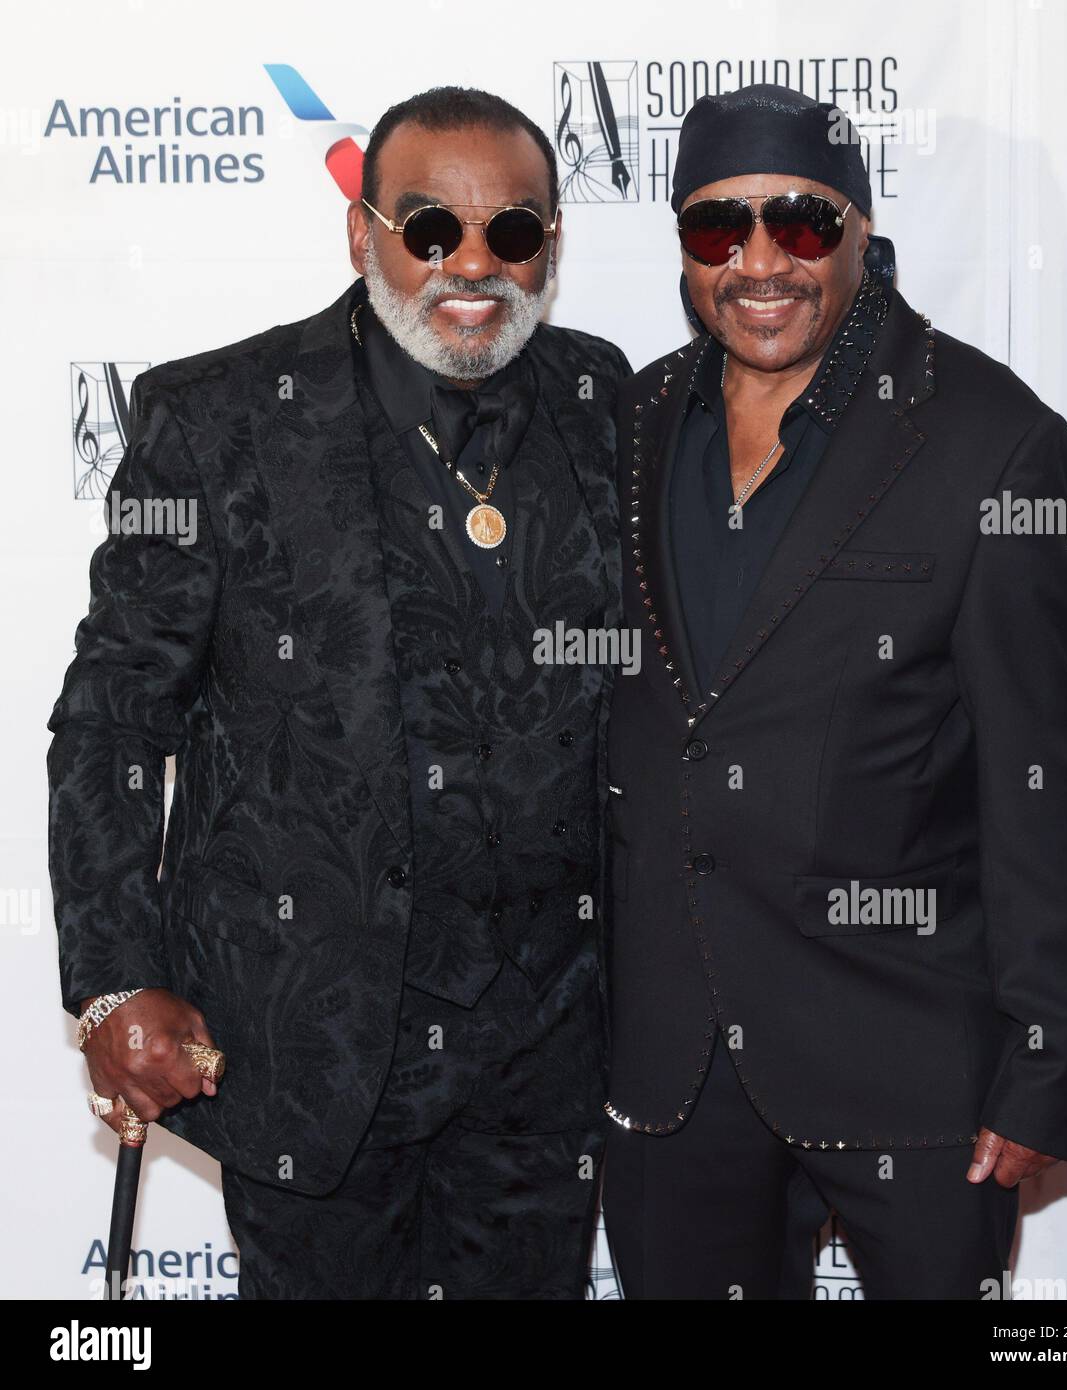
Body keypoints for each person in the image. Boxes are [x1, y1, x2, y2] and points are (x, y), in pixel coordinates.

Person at [48, 85, 630, 1300]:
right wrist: (112, 975)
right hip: (307, 1035)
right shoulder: (216, 421)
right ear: (360, 233)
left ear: (552, 244)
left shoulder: (598, 399)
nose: (470, 266)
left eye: (510, 232)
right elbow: (114, 713)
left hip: (541, 1054)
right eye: (428, 229)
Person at [601, 84, 1067, 1300]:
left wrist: (1050, 1060)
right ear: (683, 245)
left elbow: (1036, 776)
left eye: (800, 223)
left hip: (909, 1053)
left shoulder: (989, 437)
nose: (761, 262)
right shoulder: (629, 423)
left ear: (859, 229)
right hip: (673, 1067)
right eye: (718, 230)